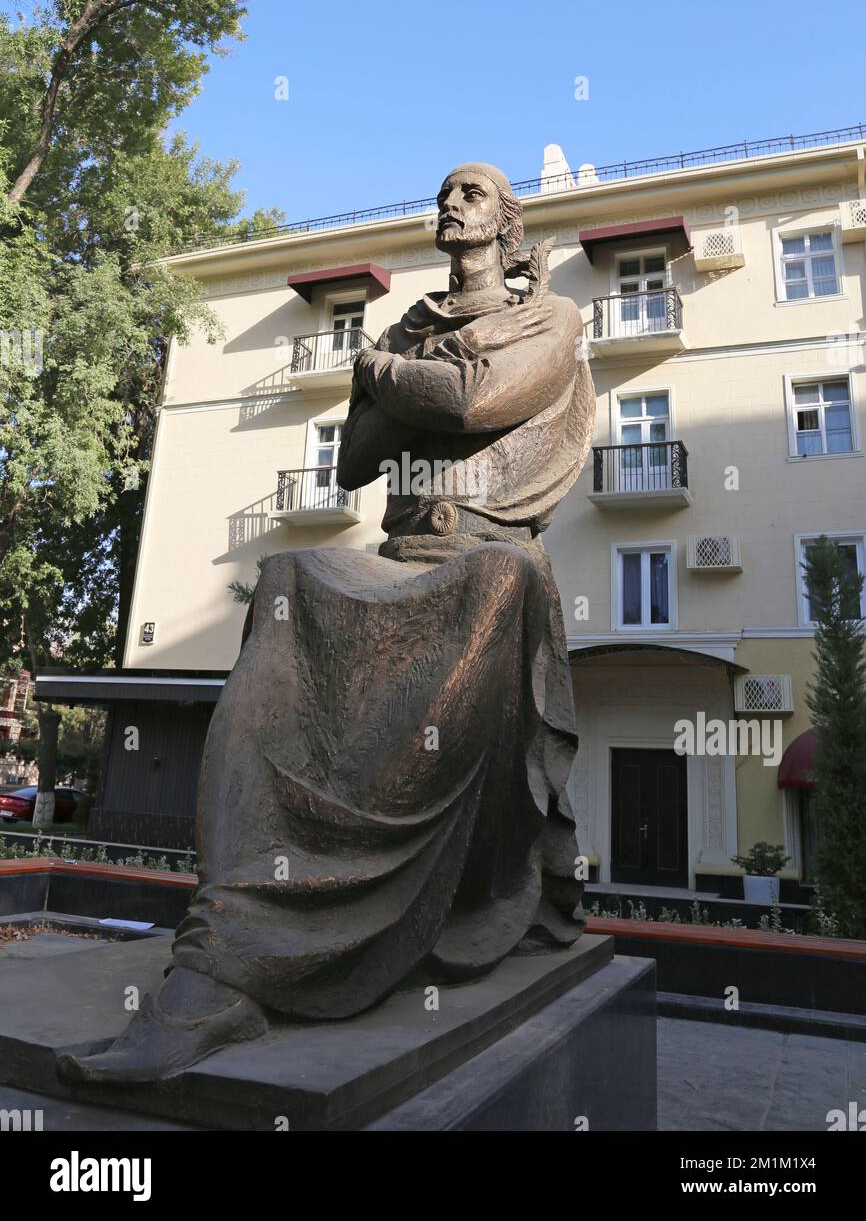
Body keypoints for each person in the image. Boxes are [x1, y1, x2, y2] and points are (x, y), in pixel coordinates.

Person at [58, 163, 594, 1084]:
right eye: (441, 194)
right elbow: (354, 461)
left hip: (492, 553)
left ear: (507, 226)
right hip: (402, 555)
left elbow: (477, 404)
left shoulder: (548, 318)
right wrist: (403, 371)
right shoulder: (413, 325)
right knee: (287, 575)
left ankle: (348, 923)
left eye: (469, 194)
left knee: (494, 584)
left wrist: (381, 370)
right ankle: (222, 953)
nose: (447, 205)